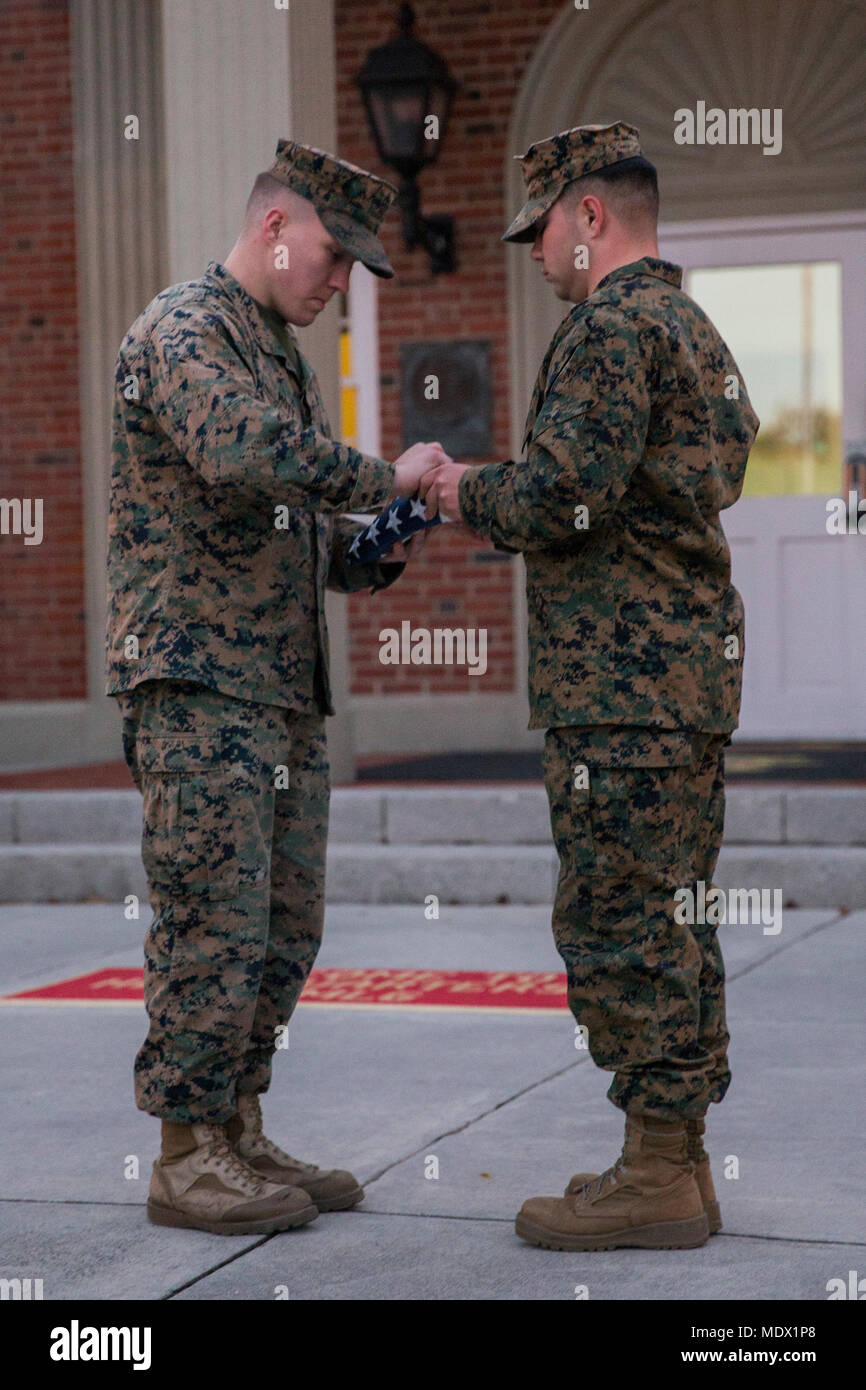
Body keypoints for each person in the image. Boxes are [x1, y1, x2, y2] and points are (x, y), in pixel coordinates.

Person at [421, 121, 759, 1251]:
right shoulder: (690, 325)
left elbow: (563, 496)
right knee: (673, 916)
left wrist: (459, 489)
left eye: (539, 228)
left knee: (620, 919)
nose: (531, 250)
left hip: (619, 687)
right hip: (676, 681)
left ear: (589, 216)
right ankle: (676, 1160)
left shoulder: (608, 328)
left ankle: (657, 1168)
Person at [106, 138, 450, 1236]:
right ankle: (184, 1150)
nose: (337, 281)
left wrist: (388, 530)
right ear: (273, 226)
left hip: (280, 690)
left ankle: (239, 1126)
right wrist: (373, 472)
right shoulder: (183, 329)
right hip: (198, 680)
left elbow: (305, 531)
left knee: (280, 923)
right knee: (211, 917)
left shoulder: (278, 352)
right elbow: (242, 452)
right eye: (333, 257)